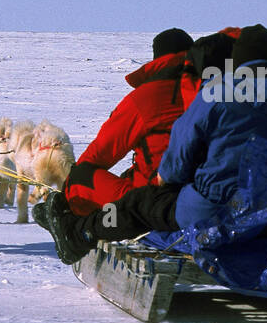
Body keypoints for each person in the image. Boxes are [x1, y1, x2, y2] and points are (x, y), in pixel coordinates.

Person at [37, 25, 267, 264]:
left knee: (133, 203)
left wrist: (169, 181)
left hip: (207, 203)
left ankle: (79, 233)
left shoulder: (211, 93)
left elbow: (174, 156)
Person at [61, 26, 240, 215]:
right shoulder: (220, 92)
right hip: (213, 193)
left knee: (80, 179)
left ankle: (81, 231)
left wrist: (67, 185)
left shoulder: (146, 97)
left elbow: (99, 154)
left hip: (155, 201)